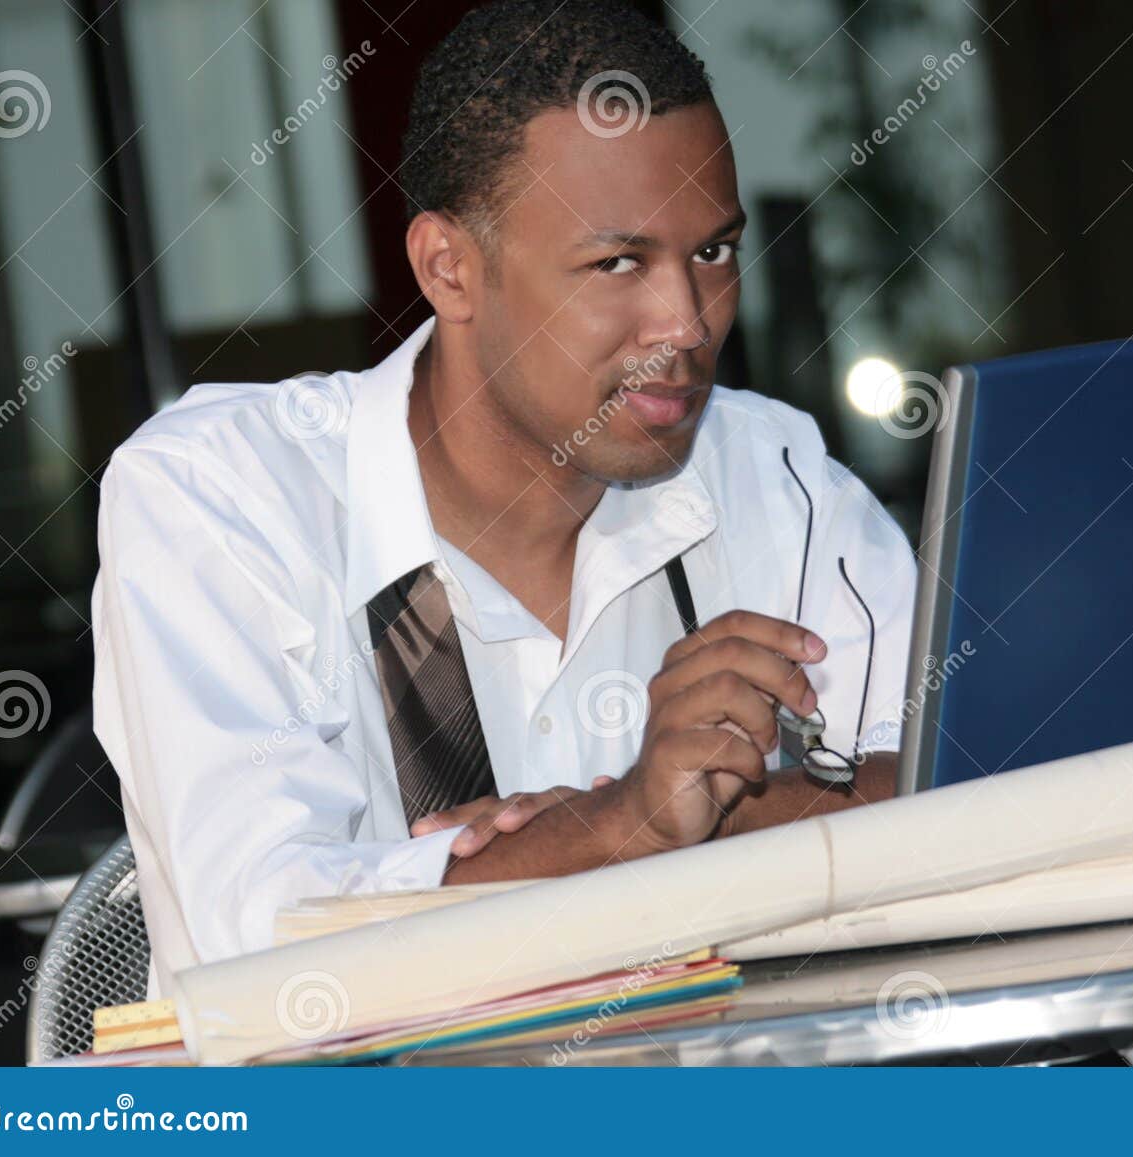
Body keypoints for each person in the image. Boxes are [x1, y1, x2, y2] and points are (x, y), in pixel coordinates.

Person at [91, 0, 916, 985]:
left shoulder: (769, 470)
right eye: (617, 262)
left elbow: (963, 796)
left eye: (712, 251)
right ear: (451, 269)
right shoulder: (224, 494)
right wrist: (627, 823)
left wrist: (633, 833)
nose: (686, 325)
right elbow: (261, 936)